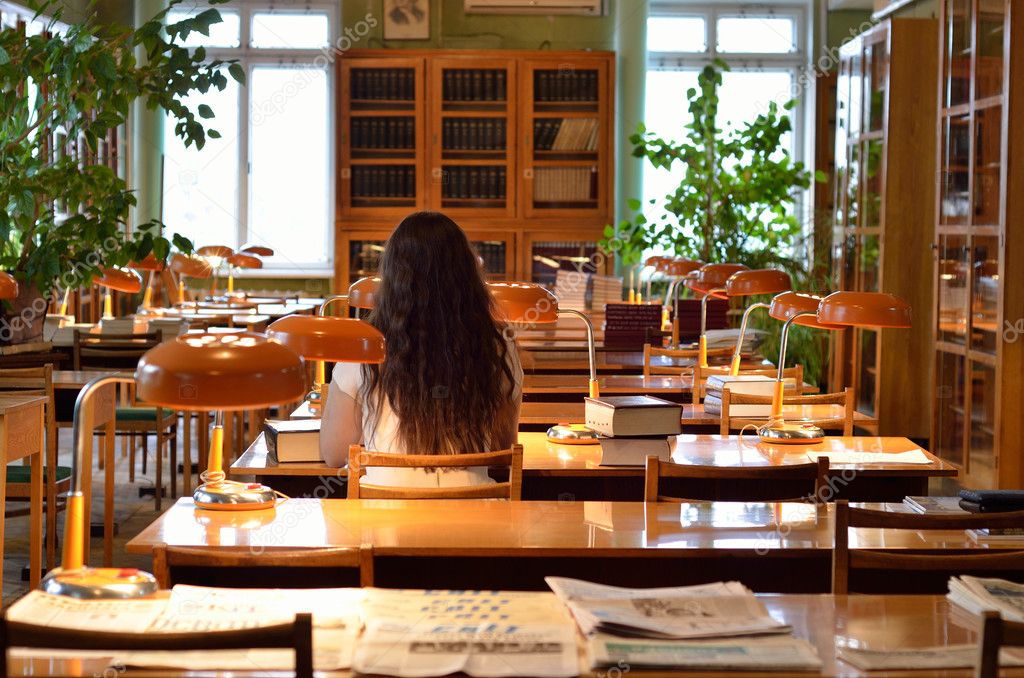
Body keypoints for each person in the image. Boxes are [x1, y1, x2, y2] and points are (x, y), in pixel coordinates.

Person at [320, 211, 523, 487]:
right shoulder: (498, 346)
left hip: (382, 523)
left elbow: (334, 454)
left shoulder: (363, 345)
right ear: (467, 275)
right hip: (474, 520)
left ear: (391, 277)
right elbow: (504, 447)